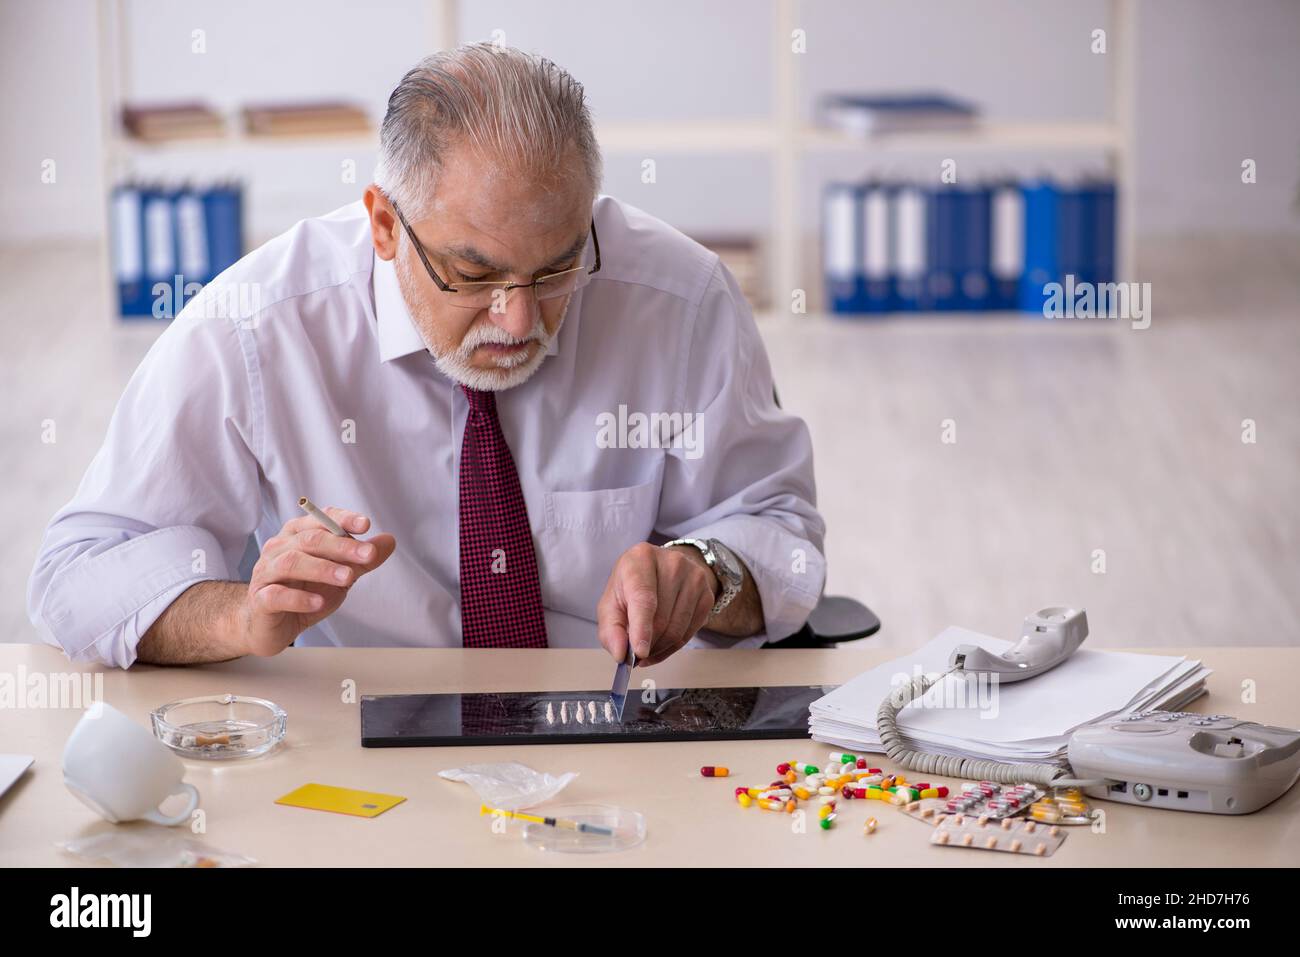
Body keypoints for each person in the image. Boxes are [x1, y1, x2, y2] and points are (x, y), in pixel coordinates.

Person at [28, 43, 825, 669]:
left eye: (554, 269)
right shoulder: (255, 327)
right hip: (355, 733)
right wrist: (240, 614)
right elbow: (77, 579)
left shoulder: (681, 301)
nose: (517, 318)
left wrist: (712, 571)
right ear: (383, 226)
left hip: (613, 722)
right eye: (472, 274)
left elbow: (781, 534)